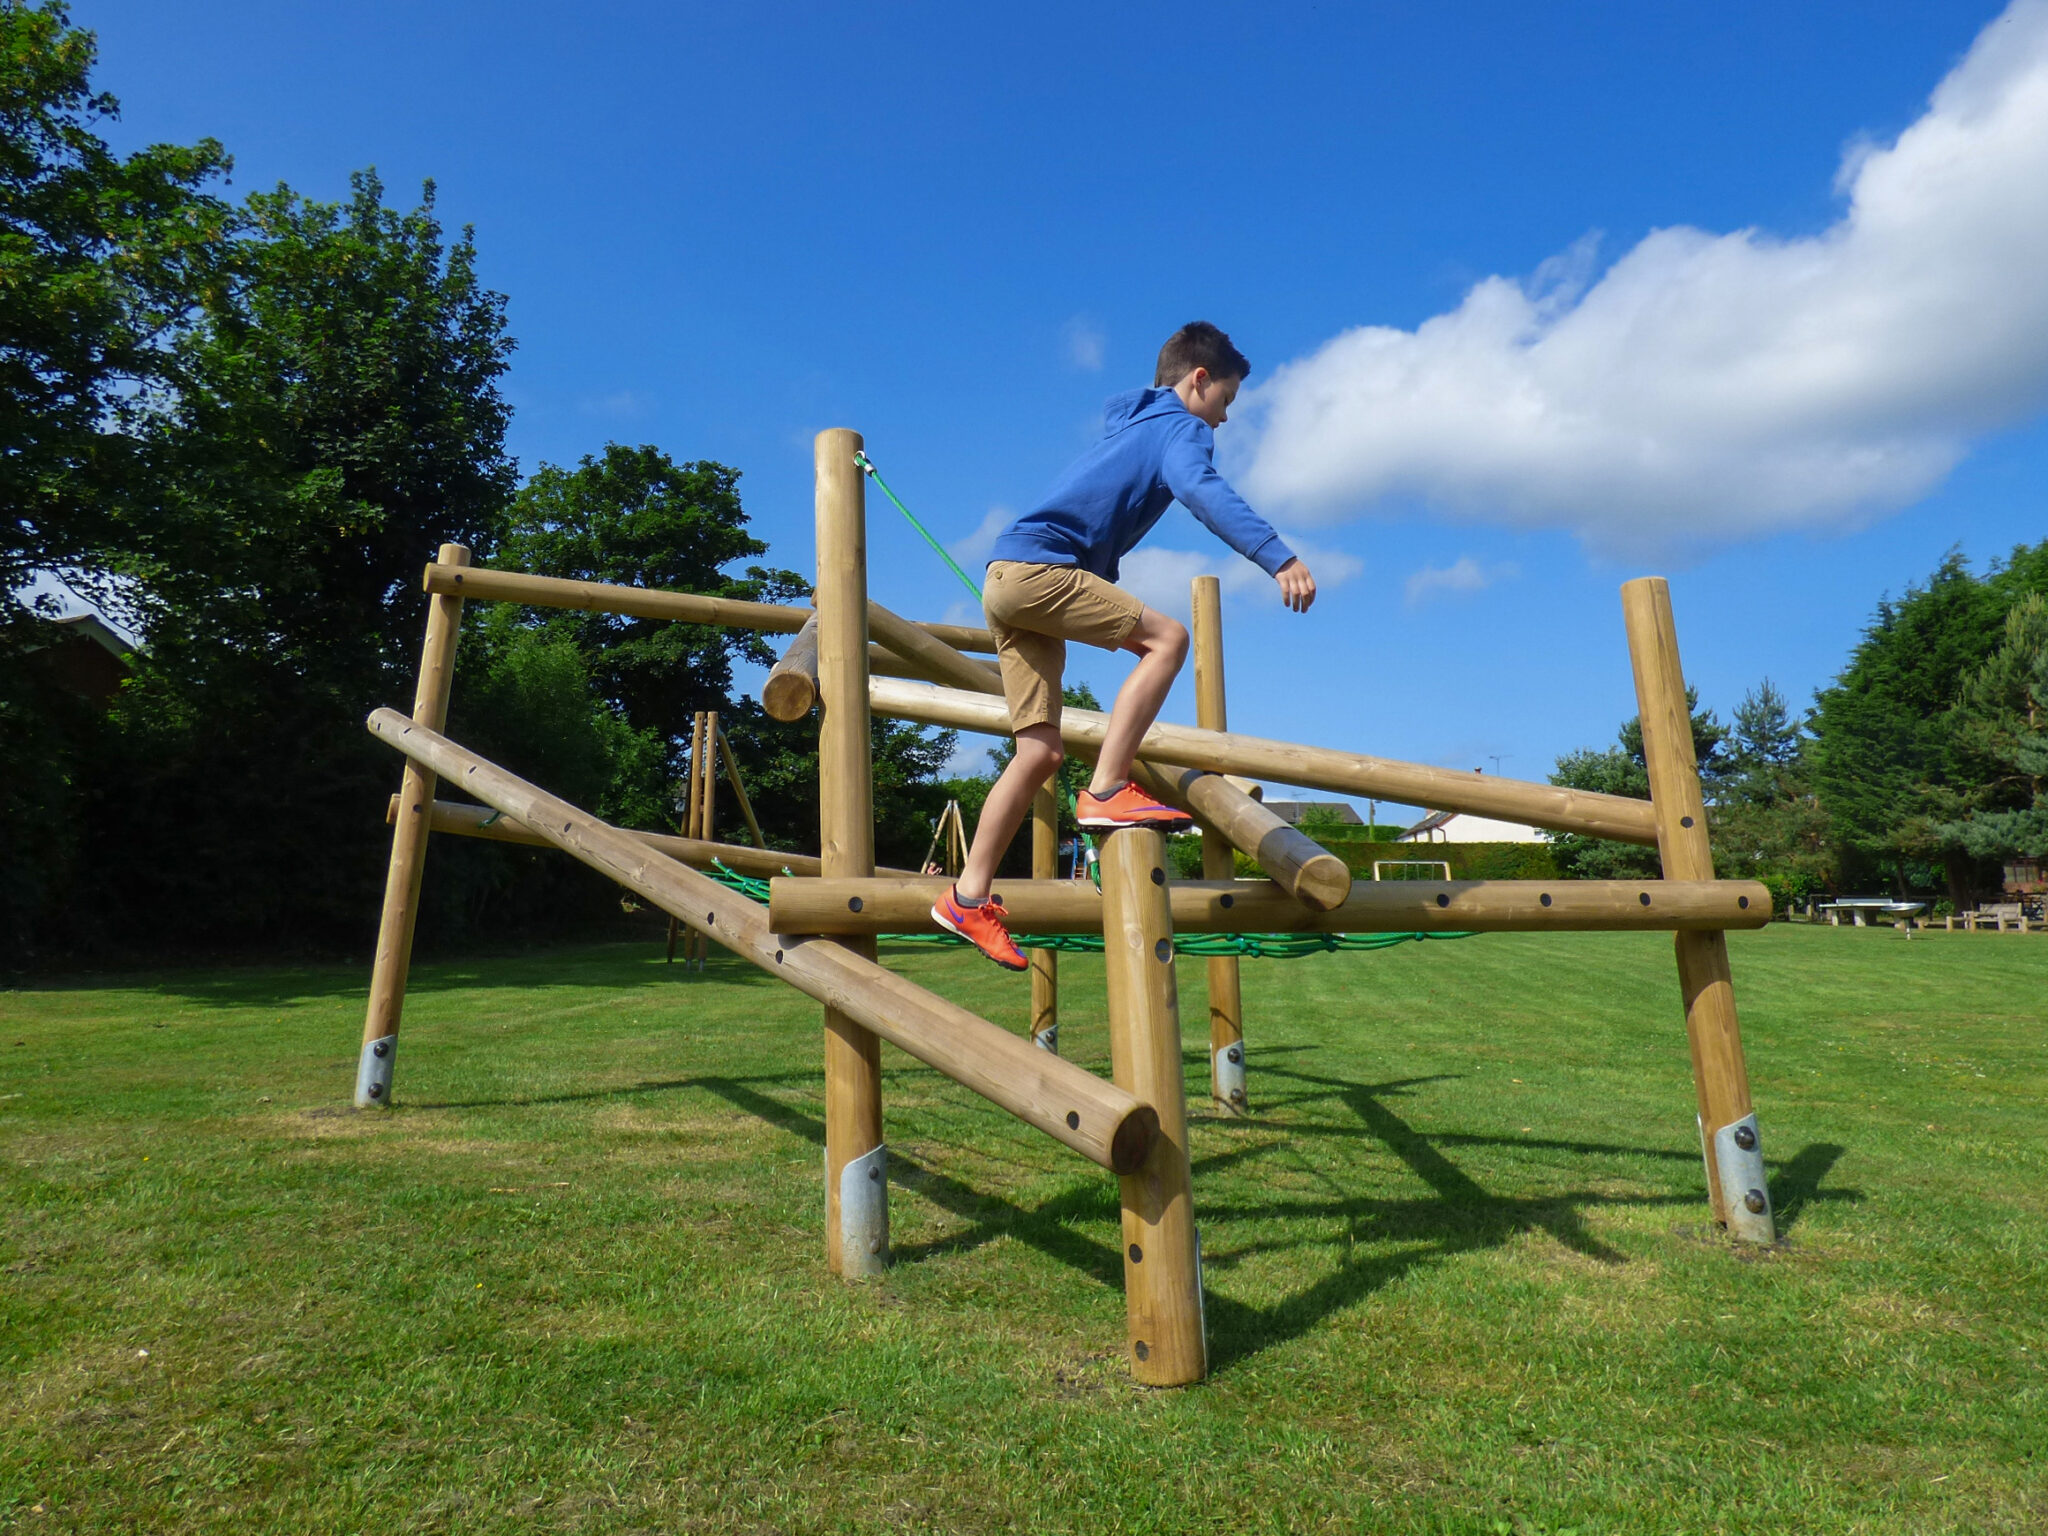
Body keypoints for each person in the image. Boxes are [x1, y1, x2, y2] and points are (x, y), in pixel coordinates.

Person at [931, 321, 1317, 968]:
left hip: (1004, 577)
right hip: (1039, 572)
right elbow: (1200, 488)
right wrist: (1278, 557)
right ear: (1199, 381)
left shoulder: (1132, 425)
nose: (1224, 419)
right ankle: (1108, 787)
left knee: (1039, 752)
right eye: (1225, 401)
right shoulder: (1179, 428)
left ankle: (967, 897)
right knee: (1168, 639)